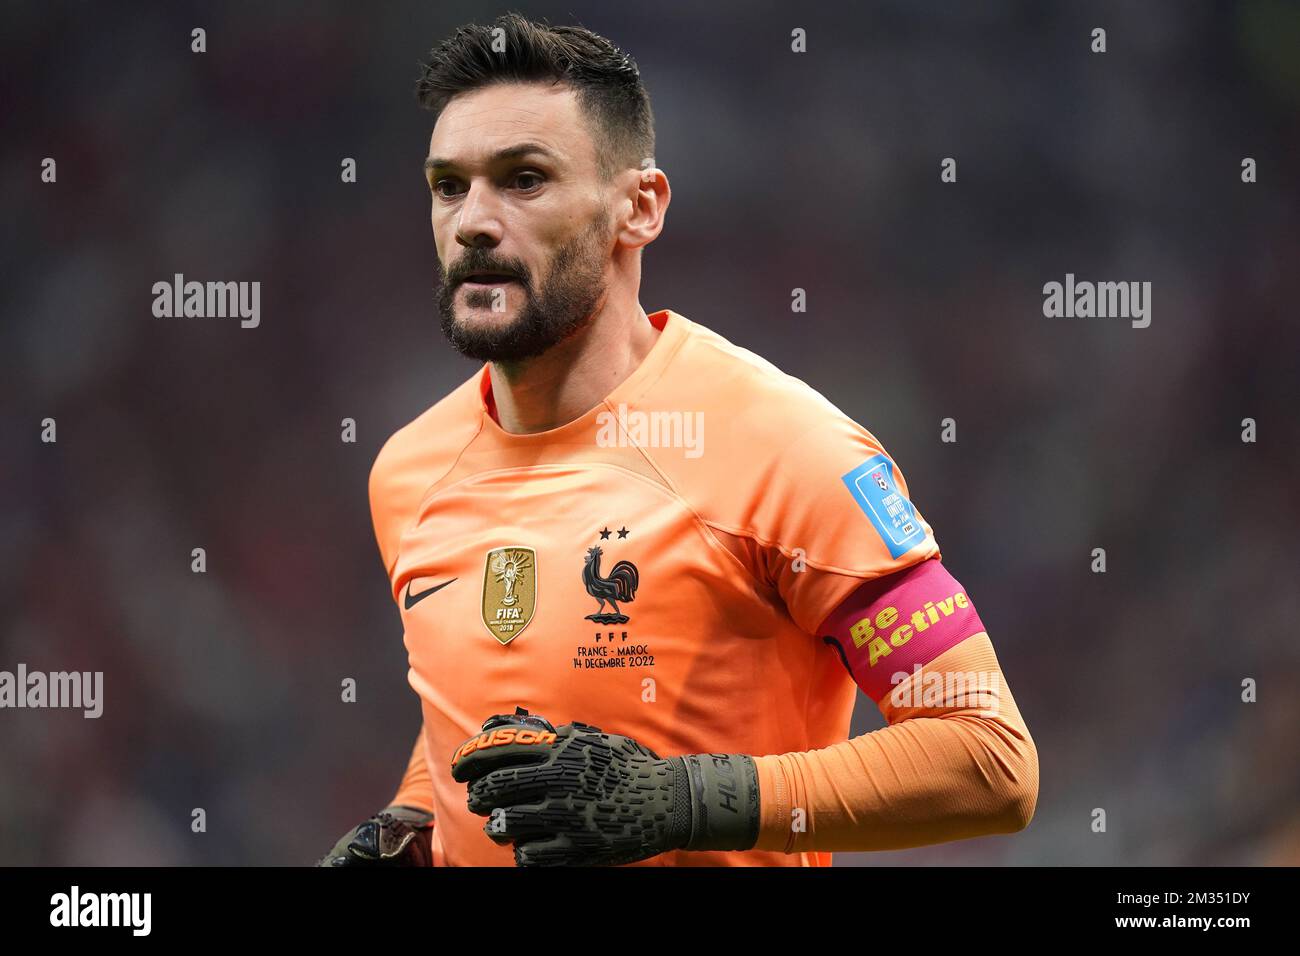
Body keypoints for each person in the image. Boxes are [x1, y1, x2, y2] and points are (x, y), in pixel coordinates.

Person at [319, 12, 1036, 868]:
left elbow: (989, 758)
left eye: (524, 180)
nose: (473, 220)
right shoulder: (410, 470)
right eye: (449, 186)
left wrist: (687, 801)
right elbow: (484, 702)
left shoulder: (784, 449)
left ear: (639, 208)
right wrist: (415, 820)